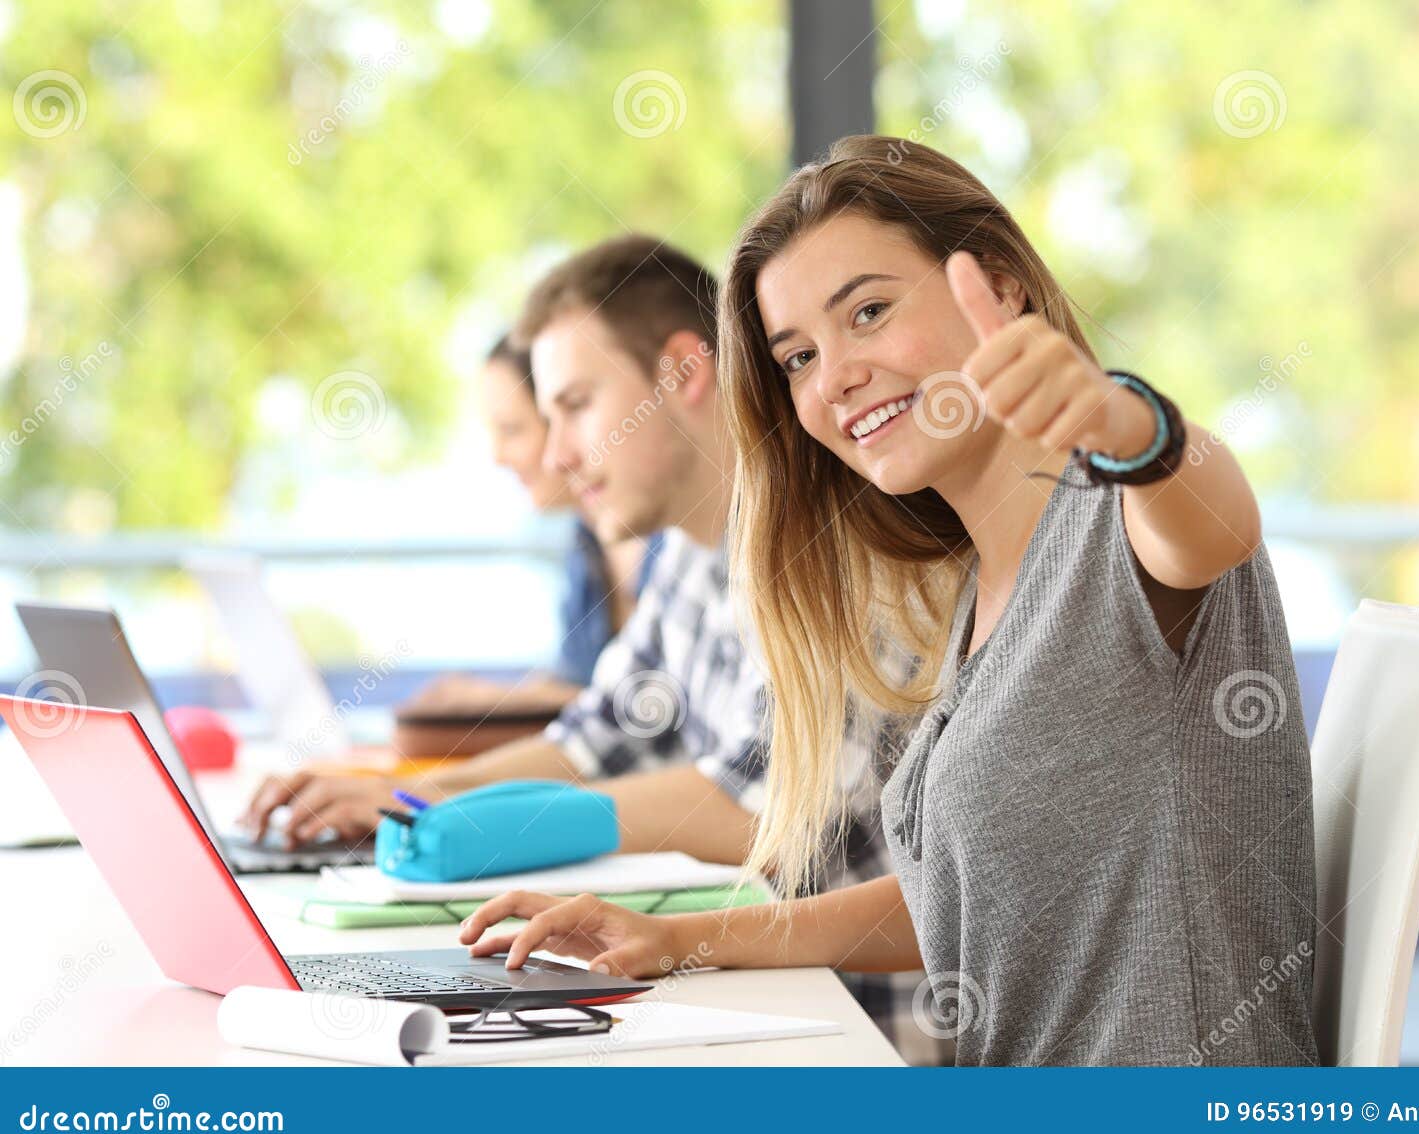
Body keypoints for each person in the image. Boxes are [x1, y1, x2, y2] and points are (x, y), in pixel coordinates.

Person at [455, 137, 1319, 1067]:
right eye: (798, 357)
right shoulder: (975, 589)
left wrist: (1126, 420)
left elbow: (1214, 518)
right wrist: (680, 939)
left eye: (868, 312)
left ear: (999, 286)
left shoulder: (1118, 517)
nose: (833, 377)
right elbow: (954, 902)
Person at [241, 235, 948, 1065]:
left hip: (865, 1039)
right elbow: (597, 737)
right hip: (774, 1001)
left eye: (575, 405)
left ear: (682, 373)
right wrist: (413, 799)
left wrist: (501, 824)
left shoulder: (837, 546)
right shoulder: (687, 549)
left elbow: (761, 808)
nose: (556, 456)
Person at [398, 334, 660, 729]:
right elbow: (584, 689)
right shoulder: (585, 546)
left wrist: (501, 700)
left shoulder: (682, 542)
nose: (498, 457)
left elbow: (663, 704)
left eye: (512, 430)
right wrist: (495, 699)